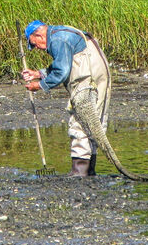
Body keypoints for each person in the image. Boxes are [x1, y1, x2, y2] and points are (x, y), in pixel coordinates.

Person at [21, 20, 110, 177]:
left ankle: (79, 173)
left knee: (80, 122)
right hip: (98, 77)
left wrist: (39, 85)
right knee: (94, 122)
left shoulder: (57, 40)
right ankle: (89, 172)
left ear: (39, 35)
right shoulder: (60, 34)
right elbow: (64, 64)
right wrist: (38, 73)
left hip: (88, 80)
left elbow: (61, 72)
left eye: (35, 44)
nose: (37, 49)